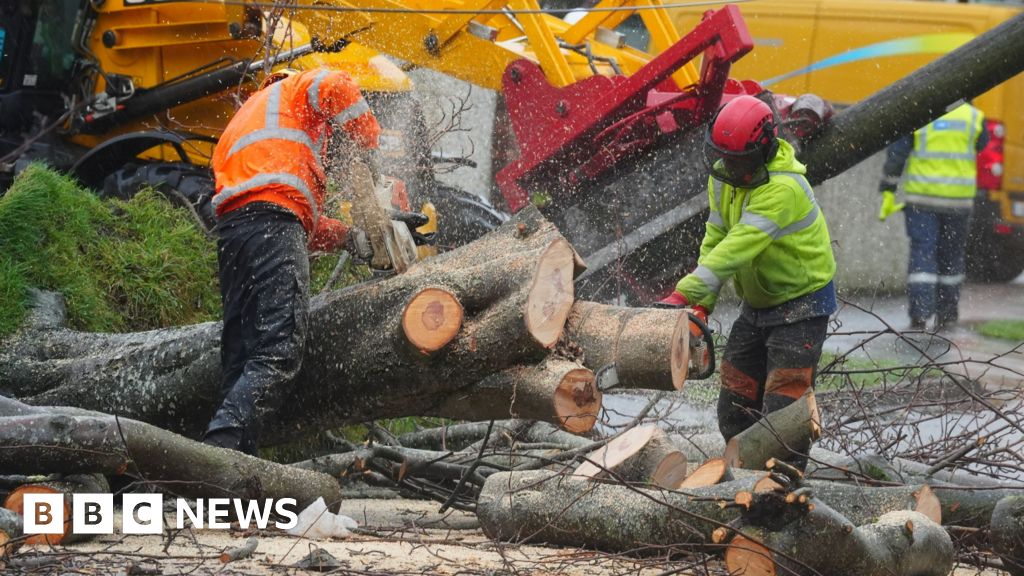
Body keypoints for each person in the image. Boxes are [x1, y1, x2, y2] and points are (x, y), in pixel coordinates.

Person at [203, 67, 382, 454]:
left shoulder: (253, 122)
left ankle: (227, 476)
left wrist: (351, 238)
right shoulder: (297, 88)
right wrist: (370, 146)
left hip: (237, 231)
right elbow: (335, 84)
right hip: (271, 225)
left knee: (241, 354)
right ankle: (219, 452)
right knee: (278, 348)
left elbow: (300, 222)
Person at [656, 95, 837, 469]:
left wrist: (681, 293)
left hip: (801, 304)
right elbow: (717, 236)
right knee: (735, 401)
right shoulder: (725, 178)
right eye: (724, 156)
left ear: (762, 150)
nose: (728, 165)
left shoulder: (783, 188)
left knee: (783, 411)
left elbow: (739, 247)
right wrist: (701, 301)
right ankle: (743, 476)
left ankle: (785, 487)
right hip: (757, 304)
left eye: (738, 159)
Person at [877, 100, 987, 332]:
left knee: (923, 254)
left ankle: (919, 315)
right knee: (952, 257)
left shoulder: (923, 112)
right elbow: (981, 145)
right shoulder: (974, 118)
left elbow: (898, 154)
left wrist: (888, 187)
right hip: (958, 201)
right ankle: (947, 315)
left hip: (922, 200)